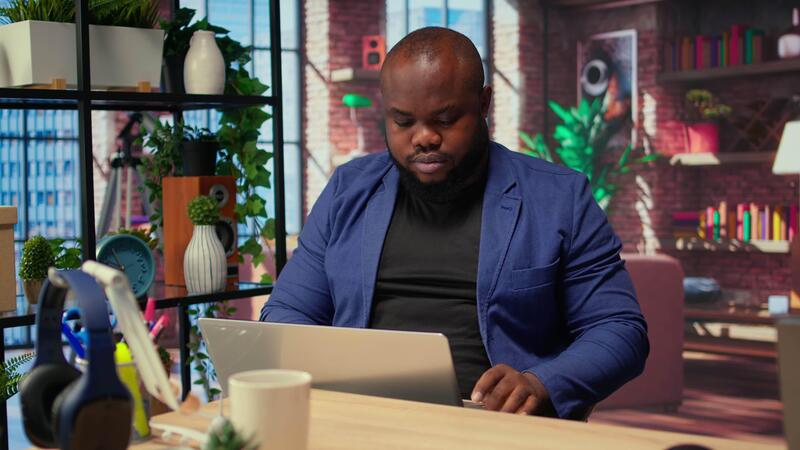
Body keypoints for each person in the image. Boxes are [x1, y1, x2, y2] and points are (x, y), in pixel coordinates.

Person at [261, 27, 648, 419]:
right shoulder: (348, 190)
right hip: (361, 418)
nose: (424, 137)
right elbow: (287, 312)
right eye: (403, 122)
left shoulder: (560, 199)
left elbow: (619, 330)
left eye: (445, 120)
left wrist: (540, 382)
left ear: (483, 103)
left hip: (498, 430)